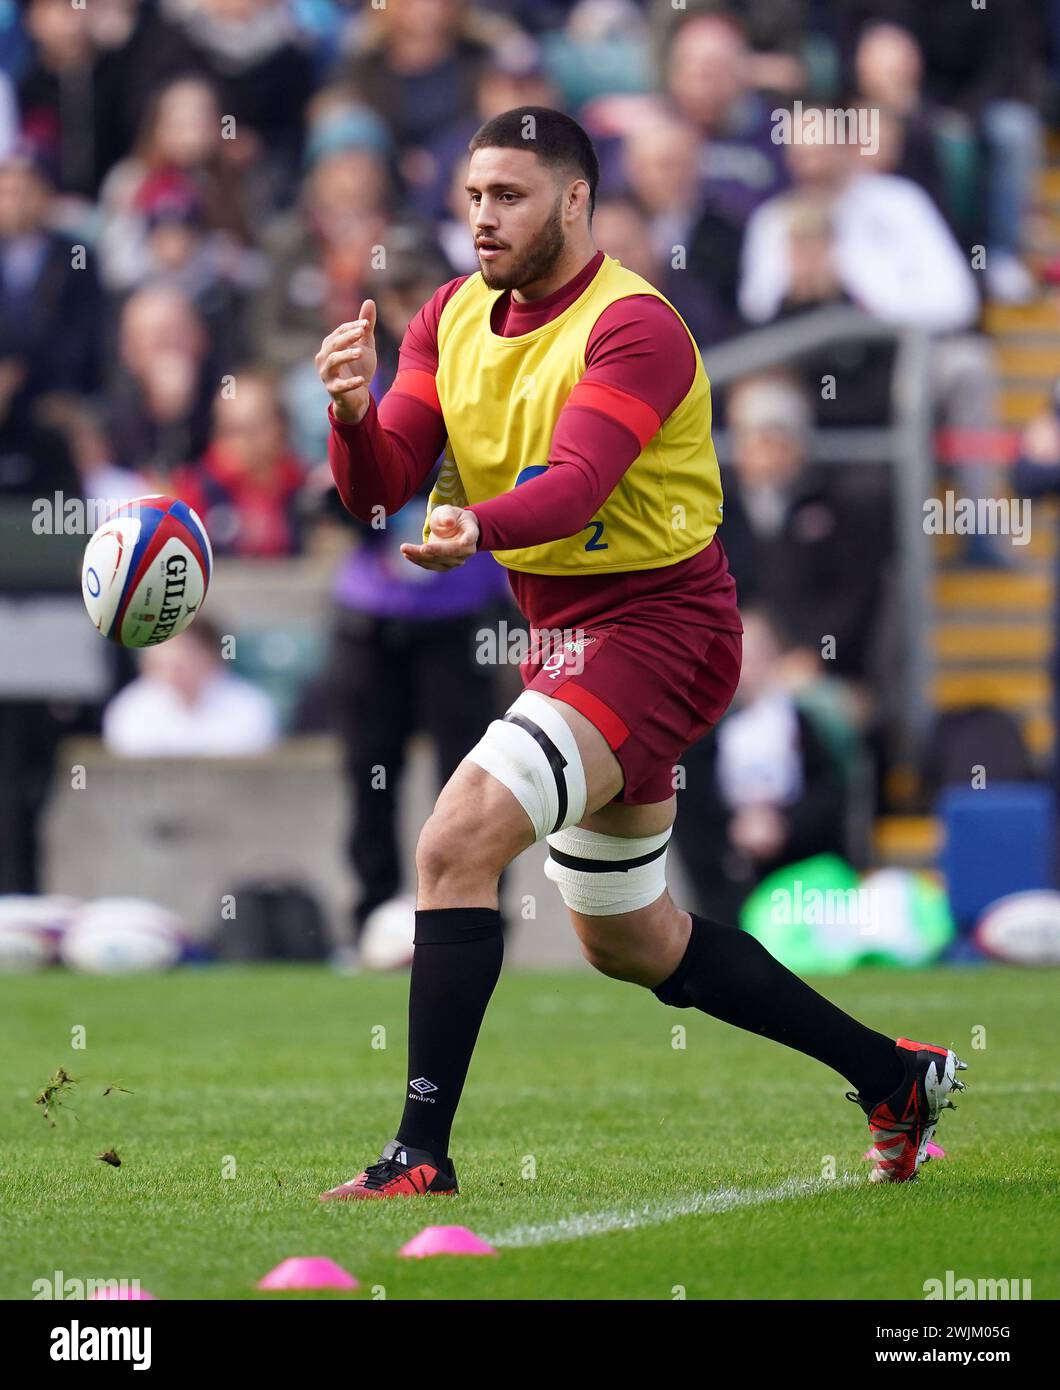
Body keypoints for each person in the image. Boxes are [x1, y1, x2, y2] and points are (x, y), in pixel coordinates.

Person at [316, 106, 967, 1199]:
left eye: (509, 196)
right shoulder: (444, 317)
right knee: (627, 938)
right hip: (565, 636)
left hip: (659, 628)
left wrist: (475, 524)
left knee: (453, 841)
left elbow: (578, 482)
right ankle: (893, 1077)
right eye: (474, 195)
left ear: (575, 201)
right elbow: (379, 486)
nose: (483, 218)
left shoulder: (637, 325)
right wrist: (347, 416)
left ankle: (416, 1155)